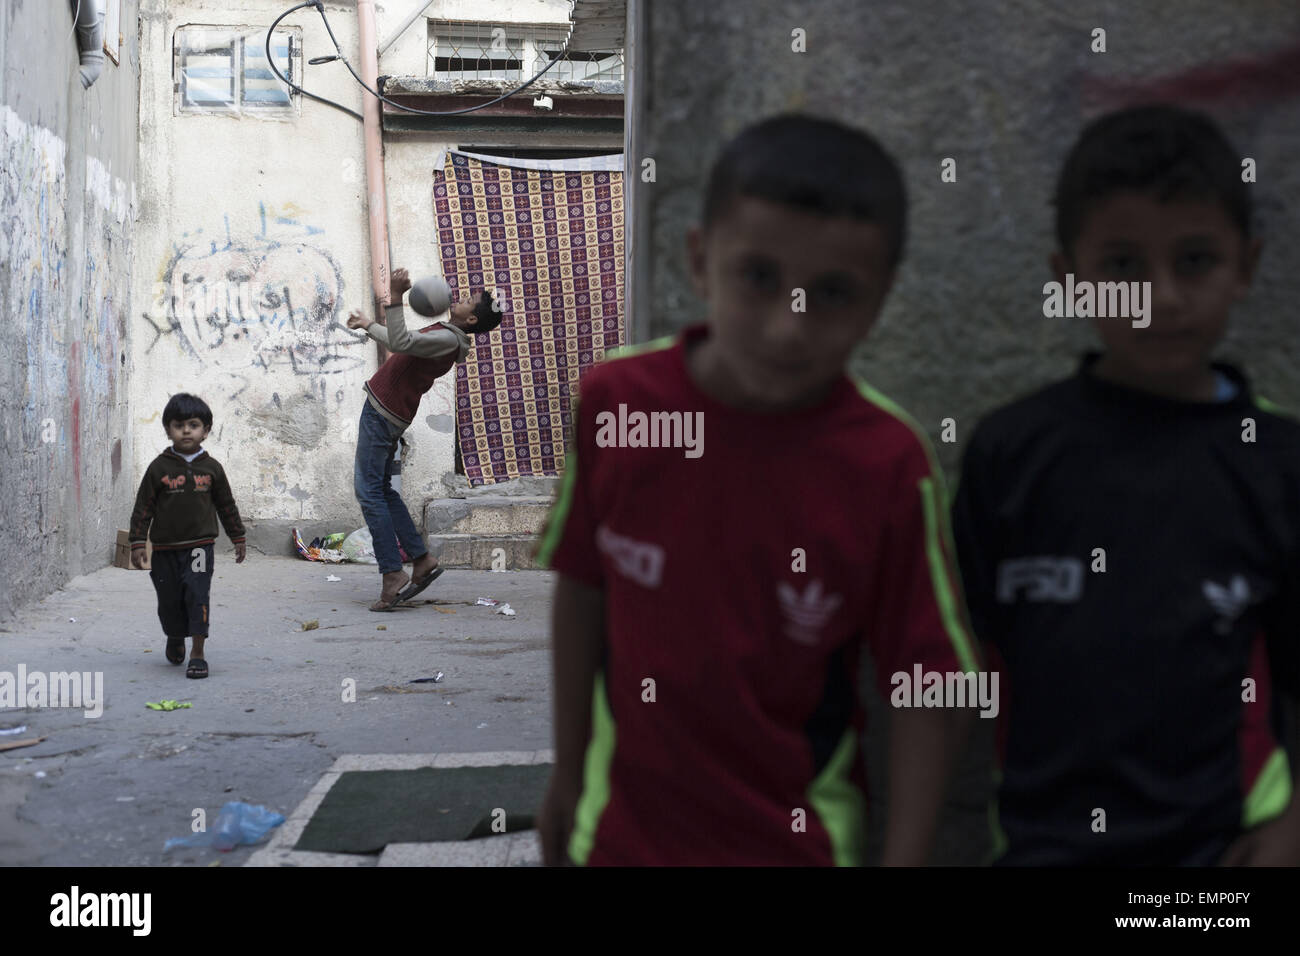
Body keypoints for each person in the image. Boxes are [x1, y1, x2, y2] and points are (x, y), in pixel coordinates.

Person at [534, 114, 981, 865]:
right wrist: (567, 780)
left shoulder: (887, 462)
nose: (786, 328)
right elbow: (583, 591)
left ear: (879, 301)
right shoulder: (616, 404)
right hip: (617, 841)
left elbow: (930, 685)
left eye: (833, 292)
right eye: (759, 277)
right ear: (700, 260)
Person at [951, 104, 1300, 865]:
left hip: (1224, 860)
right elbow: (967, 662)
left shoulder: (1277, 464)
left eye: (1196, 260)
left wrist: (1291, 824)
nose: (1162, 297)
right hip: (1043, 849)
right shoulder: (1010, 454)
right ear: (1068, 279)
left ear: (1247, 265)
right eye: (1123, 266)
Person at [346, 268, 500, 611]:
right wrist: (369, 324)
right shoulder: (446, 334)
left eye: (466, 301)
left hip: (382, 412)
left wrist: (397, 298)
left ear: (471, 318)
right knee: (382, 490)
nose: (458, 298)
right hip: (388, 411)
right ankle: (421, 559)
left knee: (368, 491)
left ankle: (392, 574)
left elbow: (401, 343)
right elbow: (402, 342)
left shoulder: (447, 339)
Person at [129, 393, 246, 679]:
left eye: (193, 425)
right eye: (178, 425)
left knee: (197, 595)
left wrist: (238, 537)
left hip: (199, 548)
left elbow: (226, 505)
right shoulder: (159, 468)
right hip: (165, 550)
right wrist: (136, 541)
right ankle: (175, 634)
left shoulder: (213, 468)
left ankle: (198, 653)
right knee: (169, 601)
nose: (186, 430)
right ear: (168, 430)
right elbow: (144, 507)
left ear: (205, 431)